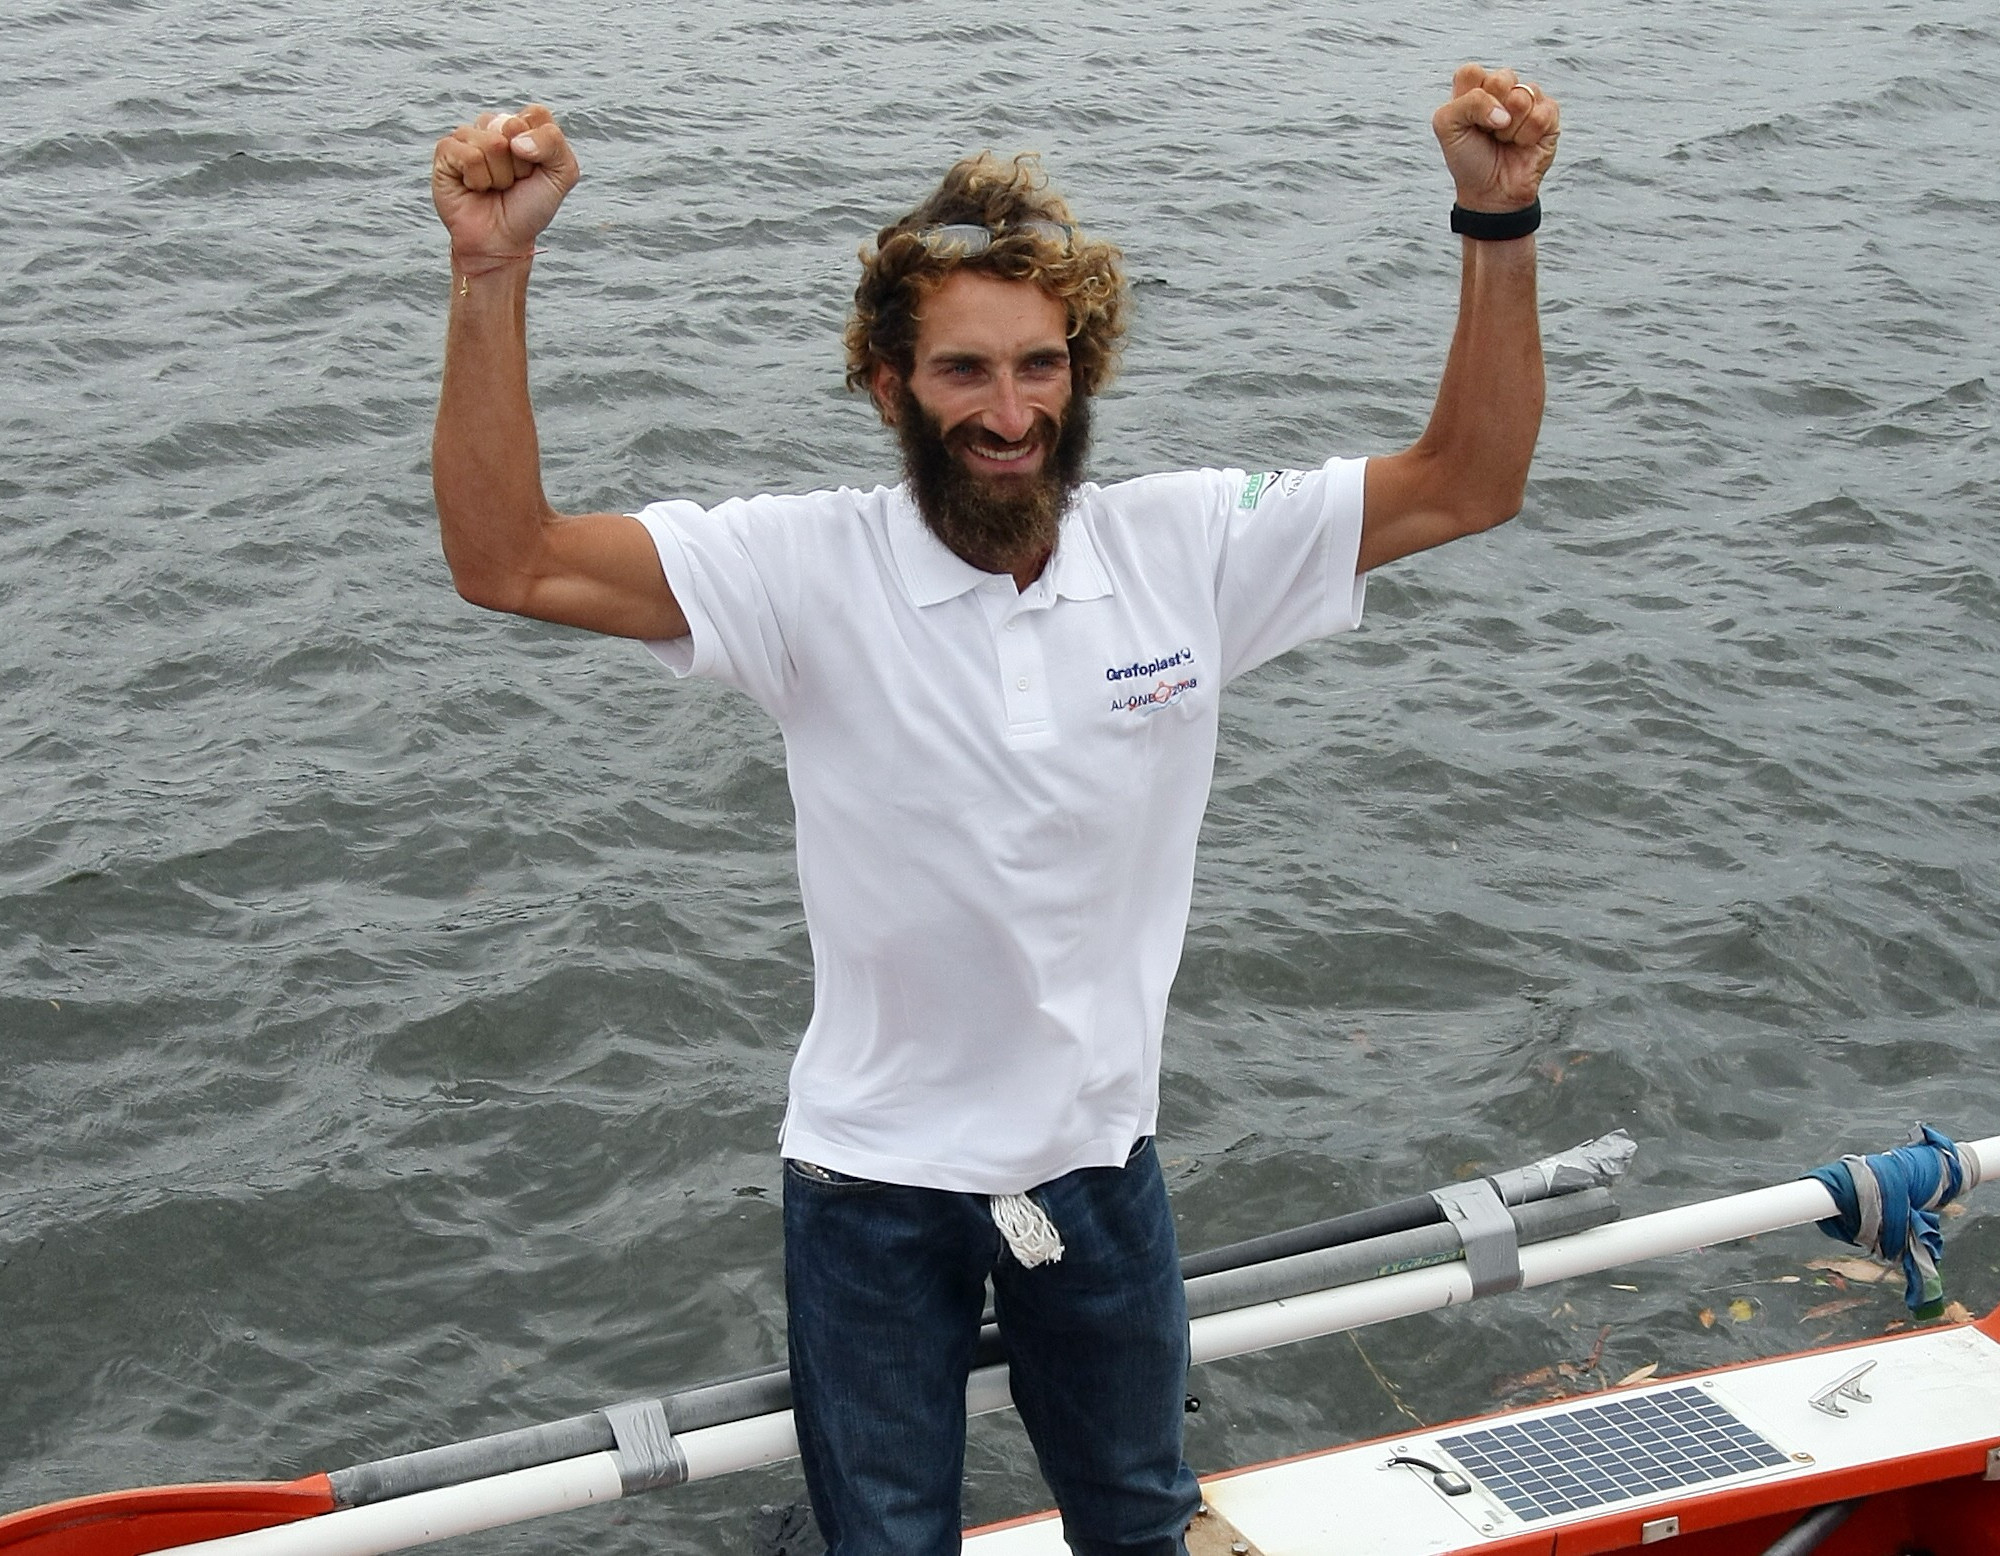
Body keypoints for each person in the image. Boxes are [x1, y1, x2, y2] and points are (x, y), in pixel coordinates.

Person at [429, 63, 1559, 1556]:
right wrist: (490, 269)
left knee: (1142, 1528)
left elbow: (1472, 479)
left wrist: (1500, 219)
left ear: (1081, 369)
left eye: (1039, 366)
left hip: (1100, 1163)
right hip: (871, 1183)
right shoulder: (797, 571)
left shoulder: (1190, 549)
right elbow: (506, 559)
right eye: (964, 372)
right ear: (889, 385)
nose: (1008, 412)